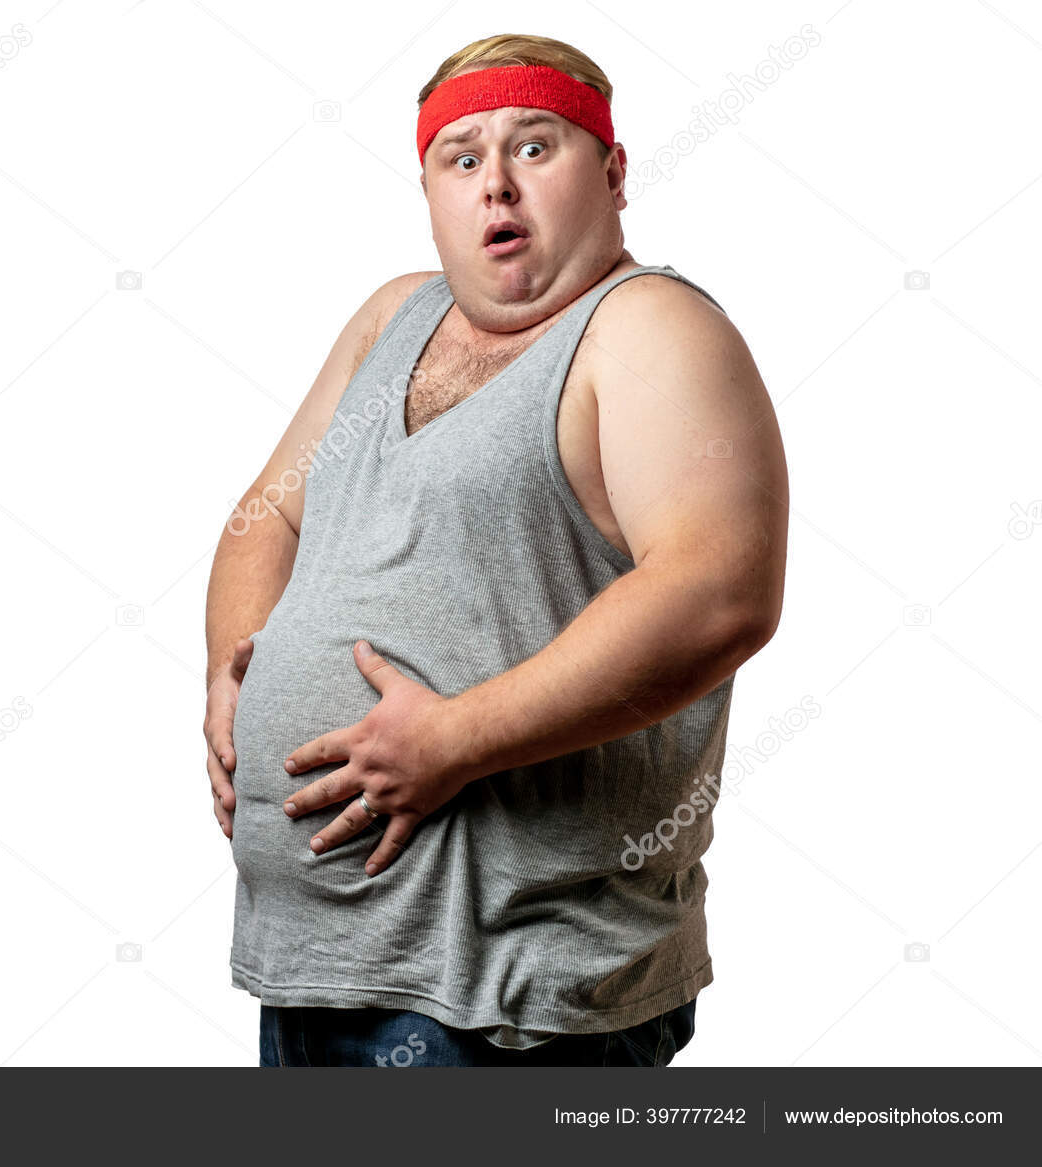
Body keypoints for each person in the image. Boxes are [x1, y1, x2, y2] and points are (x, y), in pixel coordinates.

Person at [203, 33, 788, 1067]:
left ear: (611, 170)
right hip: (316, 963)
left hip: (510, 998)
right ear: (428, 187)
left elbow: (718, 592)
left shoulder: (645, 328)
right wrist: (232, 675)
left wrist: (452, 741)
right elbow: (269, 518)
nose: (496, 186)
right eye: (462, 159)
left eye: (535, 147)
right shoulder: (395, 314)